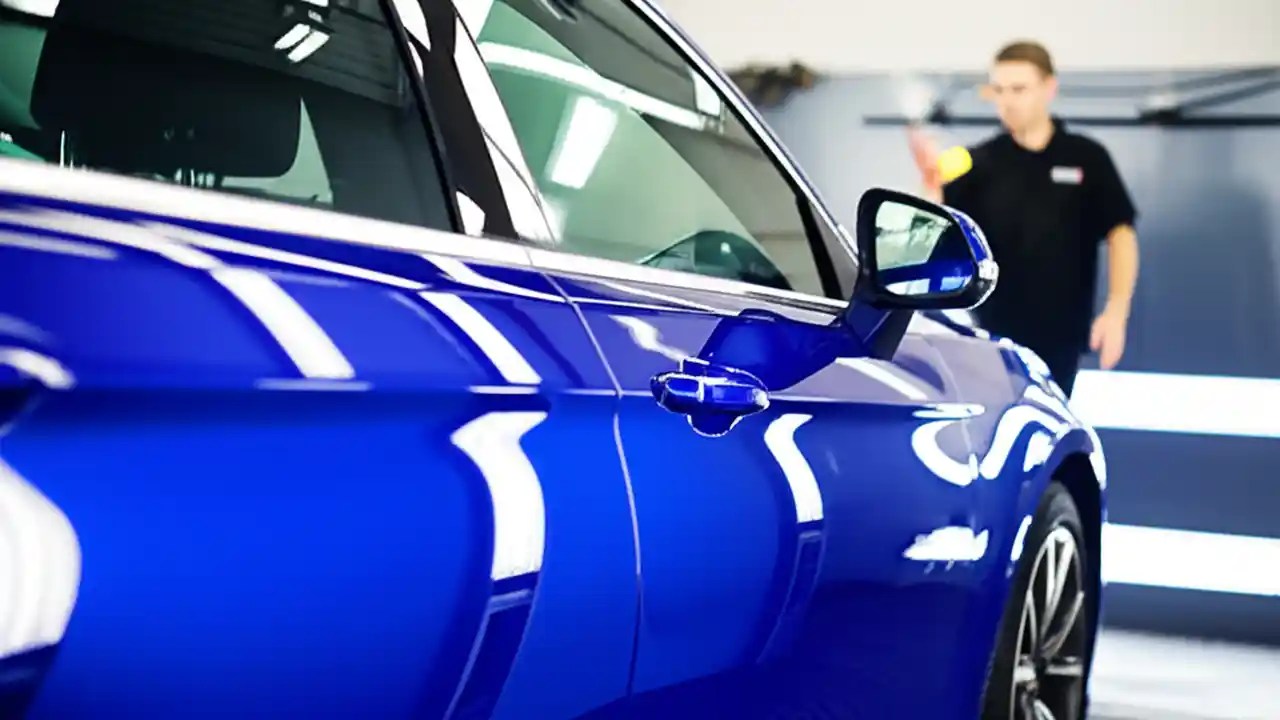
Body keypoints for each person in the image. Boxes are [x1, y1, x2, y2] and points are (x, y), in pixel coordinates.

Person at [908, 41, 1139, 397]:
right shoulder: (976, 161)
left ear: (1049, 88)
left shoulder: (1087, 158)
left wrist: (1117, 310)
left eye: (1019, 89)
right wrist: (930, 186)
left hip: (1060, 340)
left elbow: (1120, 233)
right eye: (998, 90)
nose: (1008, 101)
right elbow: (938, 229)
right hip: (988, 341)